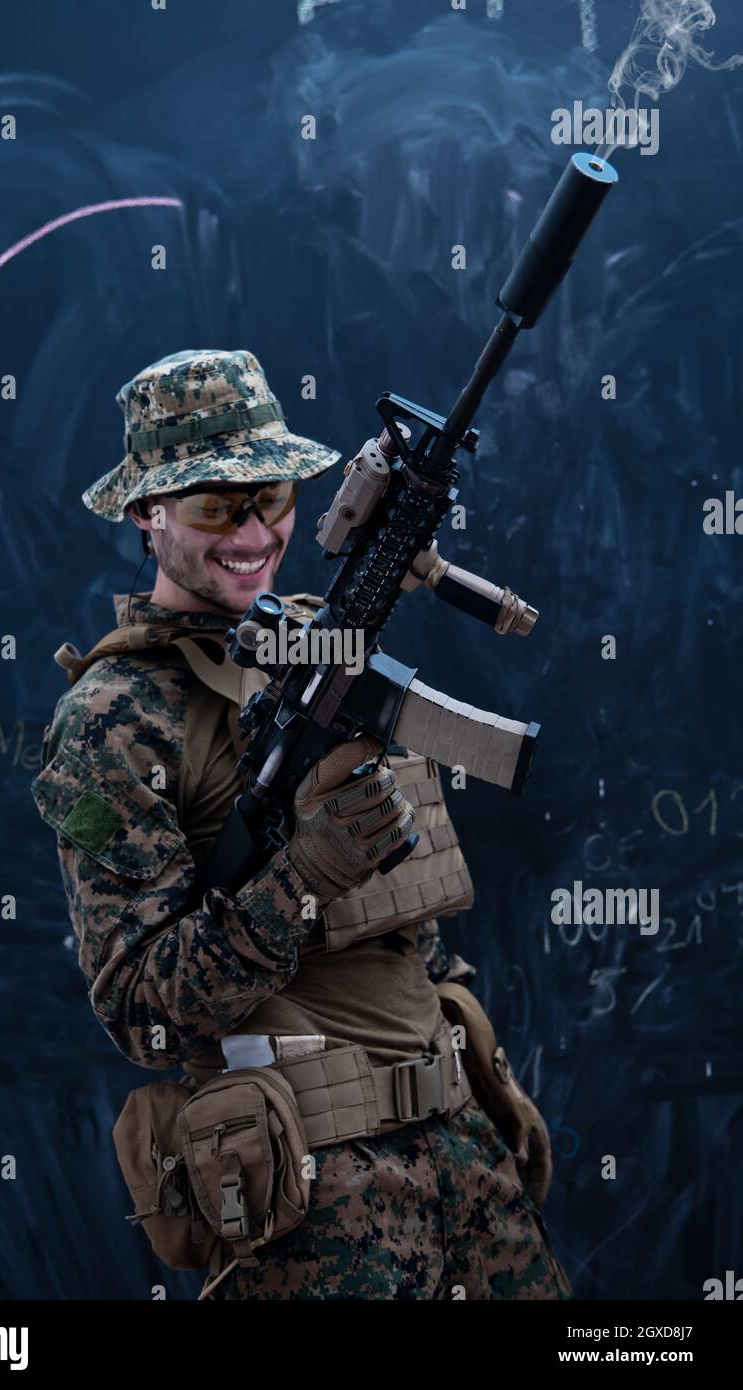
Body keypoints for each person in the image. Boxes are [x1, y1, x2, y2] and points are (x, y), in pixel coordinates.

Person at [33, 346, 572, 1300]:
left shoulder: (312, 641)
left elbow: (406, 928)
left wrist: (471, 1070)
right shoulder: (114, 718)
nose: (251, 532)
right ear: (144, 515)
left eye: (272, 498)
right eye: (212, 506)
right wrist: (300, 876)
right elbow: (146, 1019)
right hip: (317, 1215)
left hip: (463, 1168)